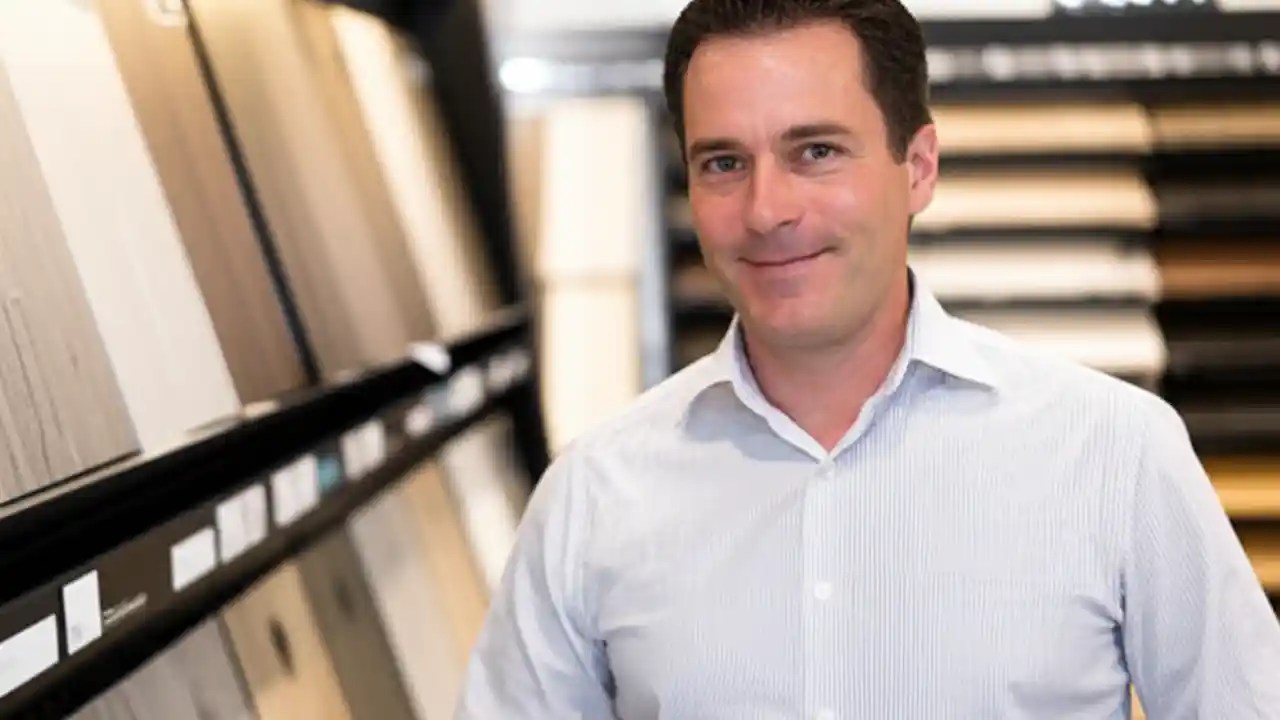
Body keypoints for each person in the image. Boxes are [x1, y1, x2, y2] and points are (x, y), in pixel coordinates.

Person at [457, 1, 1280, 717]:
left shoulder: (1115, 454)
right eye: (724, 163)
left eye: (815, 151)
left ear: (917, 168)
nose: (767, 209)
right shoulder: (592, 494)